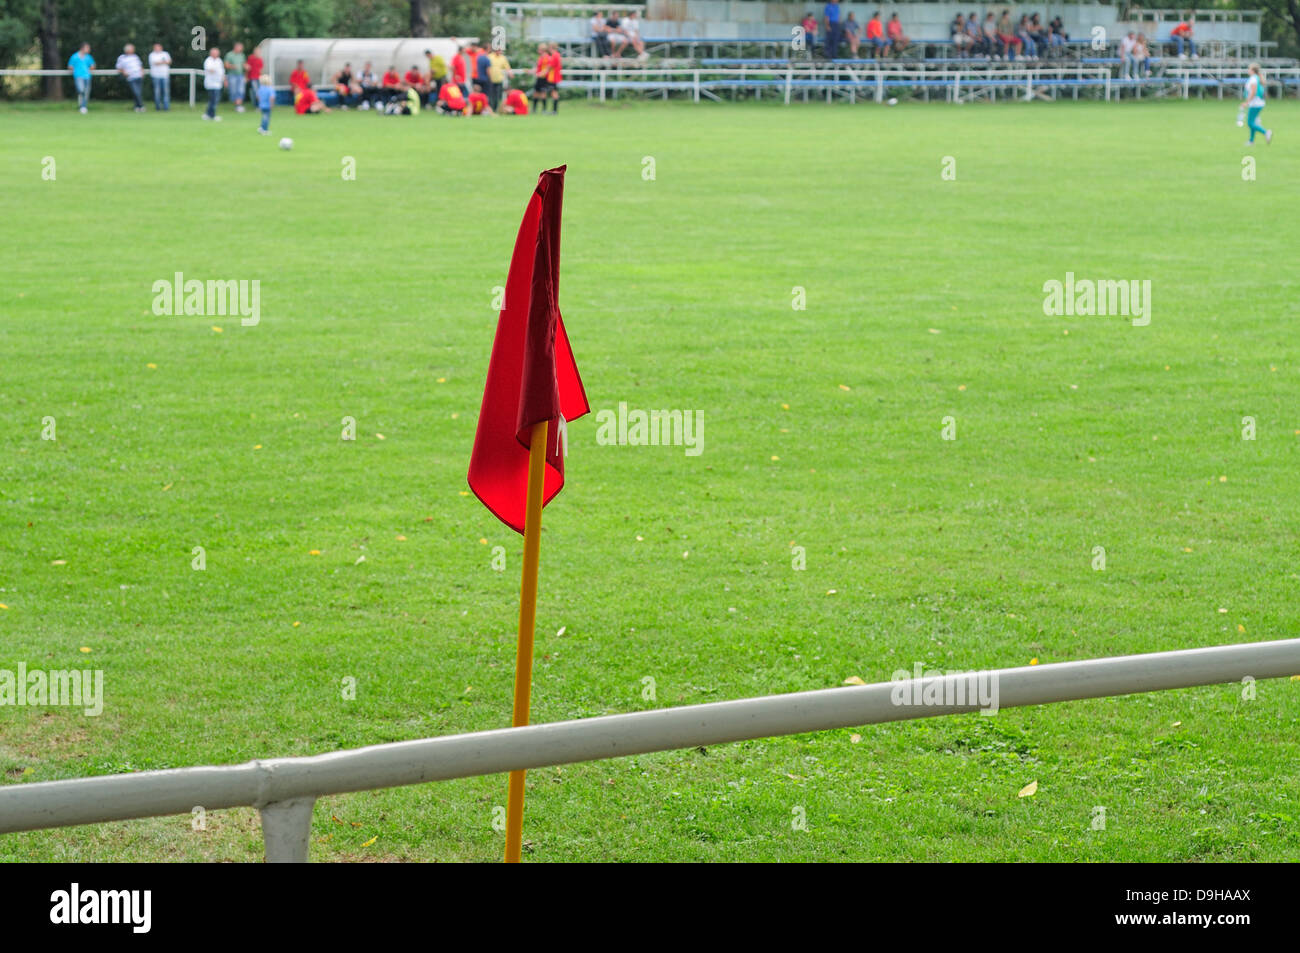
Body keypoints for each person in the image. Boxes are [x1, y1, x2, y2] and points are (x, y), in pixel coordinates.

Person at [1241, 62, 1272, 146]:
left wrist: (1247, 102)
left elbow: (1253, 92)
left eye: (1249, 69)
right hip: (1257, 103)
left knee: (1250, 123)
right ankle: (1251, 141)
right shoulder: (1256, 78)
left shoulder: (1253, 79)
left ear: (1252, 70)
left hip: (1255, 103)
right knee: (1253, 122)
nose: (1248, 70)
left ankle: (1266, 132)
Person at [115, 43, 144, 113]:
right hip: (131, 77)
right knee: (136, 92)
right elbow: (119, 67)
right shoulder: (122, 57)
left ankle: (137, 106)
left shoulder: (135, 57)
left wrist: (142, 72)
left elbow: (140, 65)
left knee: (138, 92)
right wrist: (124, 72)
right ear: (127, 50)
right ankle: (141, 106)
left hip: (138, 76)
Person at [68, 42, 94, 114]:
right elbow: (70, 66)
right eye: (87, 48)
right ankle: (82, 106)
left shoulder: (88, 57)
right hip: (78, 76)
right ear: (82, 48)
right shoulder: (74, 56)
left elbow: (92, 65)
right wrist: (74, 70)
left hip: (87, 77)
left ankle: (83, 106)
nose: (89, 49)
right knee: (81, 90)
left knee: (86, 92)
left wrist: (89, 69)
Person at [202, 47, 224, 121]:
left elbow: (221, 71)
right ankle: (212, 115)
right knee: (213, 99)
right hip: (210, 84)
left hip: (218, 84)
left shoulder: (219, 61)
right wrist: (216, 71)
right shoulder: (208, 61)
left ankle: (208, 114)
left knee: (215, 100)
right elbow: (210, 70)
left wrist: (223, 79)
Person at [488, 46, 512, 112]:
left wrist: (510, 73)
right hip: (491, 79)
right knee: (491, 95)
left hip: (499, 79)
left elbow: (507, 66)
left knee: (497, 96)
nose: (499, 52)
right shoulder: (490, 56)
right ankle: (491, 109)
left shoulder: (503, 58)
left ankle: (495, 109)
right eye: (498, 50)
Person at [147, 42, 171, 110]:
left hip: (165, 75)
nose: (158, 48)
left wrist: (160, 62)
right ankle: (158, 107)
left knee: (166, 92)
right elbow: (155, 63)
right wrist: (163, 62)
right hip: (155, 76)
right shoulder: (152, 55)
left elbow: (169, 62)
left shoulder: (165, 54)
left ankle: (166, 107)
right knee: (157, 92)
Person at [224, 42, 247, 112]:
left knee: (241, 90)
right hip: (232, 75)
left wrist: (246, 67)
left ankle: (238, 106)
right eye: (240, 47)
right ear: (236, 47)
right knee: (233, 91)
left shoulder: (242, 55)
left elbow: (244, 64)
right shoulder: (229, 55)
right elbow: (225, 65)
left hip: (240, 75)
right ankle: (237, 106)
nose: (241, 49)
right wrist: (232, 66)